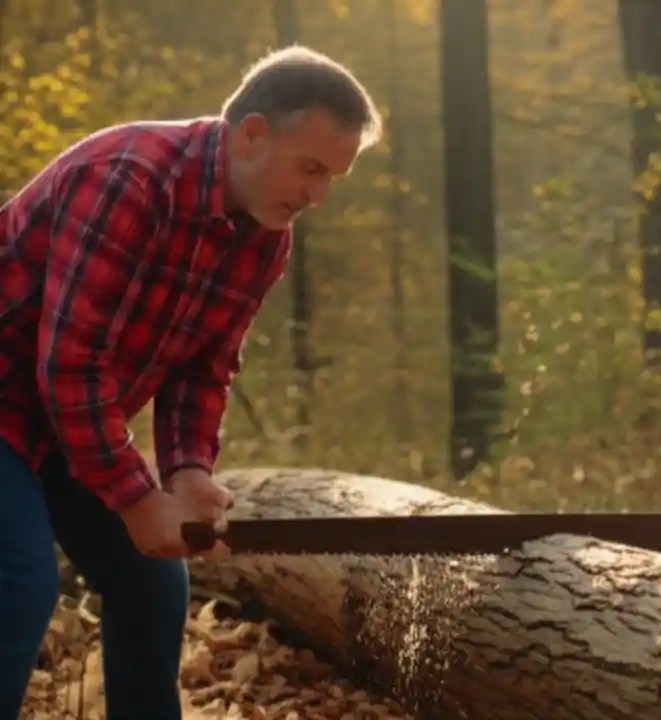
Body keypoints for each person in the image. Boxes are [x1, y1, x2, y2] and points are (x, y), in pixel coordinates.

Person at [0, 45, 381, 719]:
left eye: (333, 180)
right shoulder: (130, 179)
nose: (318, 195)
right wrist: (134, 498)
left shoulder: (266, 232)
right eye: (311, 169)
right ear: (253, 133)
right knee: (18, 586)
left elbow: (206, 367)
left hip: (63, 423)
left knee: (153, 582)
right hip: (14, 402)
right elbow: (69, 366)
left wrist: (186, 471)